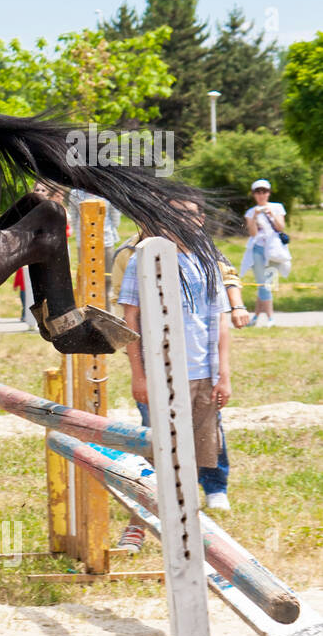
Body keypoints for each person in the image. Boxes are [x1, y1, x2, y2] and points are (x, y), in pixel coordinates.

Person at [116, 200, 232, 553]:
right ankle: (135, 528)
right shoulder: (142, 259)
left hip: (202, 373)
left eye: (192, 214)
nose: (186, 220)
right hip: (161, 373)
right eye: (177, 213)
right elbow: (130, 321)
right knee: (160, 457)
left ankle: (184, 532)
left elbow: (220, 319)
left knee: (194, 459)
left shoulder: (207, 259)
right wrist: (139, 375)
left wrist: (222, 374)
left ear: (200, 219)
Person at [240, 179, 289, 327]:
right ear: (254, 194)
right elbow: (253, 233)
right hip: (257, 249)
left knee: (269, 283)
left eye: (264, 191)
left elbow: (281, 227)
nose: (261, 195)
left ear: (268, 193)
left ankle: (255, 317)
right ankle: (270, 318)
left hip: (273, 249)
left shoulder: (277, 207)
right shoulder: (250, 212)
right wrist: (254, 216)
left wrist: (271, 214)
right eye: (258, 192)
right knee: (263, 283)